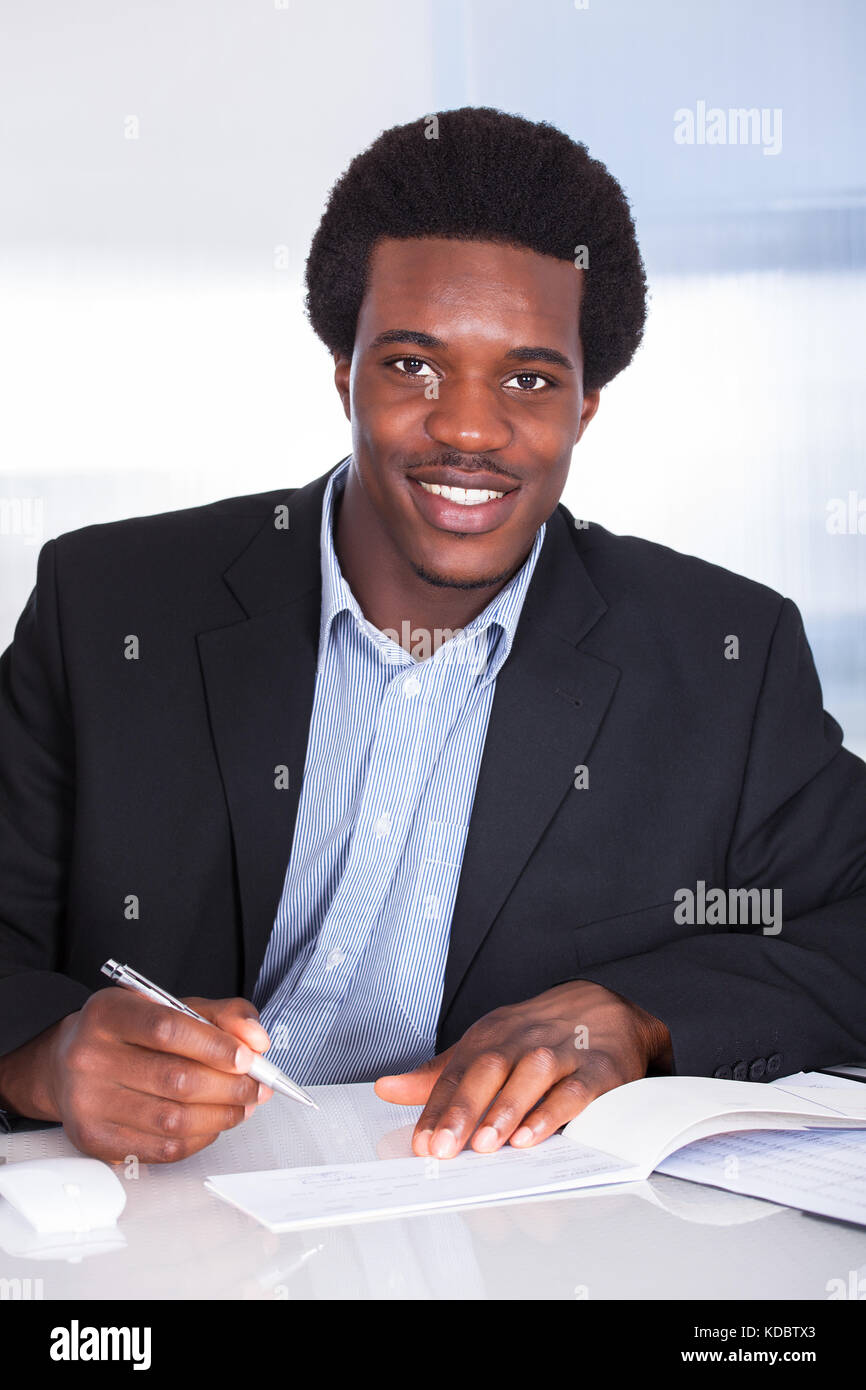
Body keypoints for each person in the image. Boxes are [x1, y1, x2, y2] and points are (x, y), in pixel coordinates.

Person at [0, 107, 863, 1166]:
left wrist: (634, 1011)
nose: (466, 426)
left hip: (515, 1246)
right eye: (412, 364)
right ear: (342, 370)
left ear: (586, 405)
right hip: (161, 1239)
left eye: (529, 379)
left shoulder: (720, 656)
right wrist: (42, 1053)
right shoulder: (109, 606)